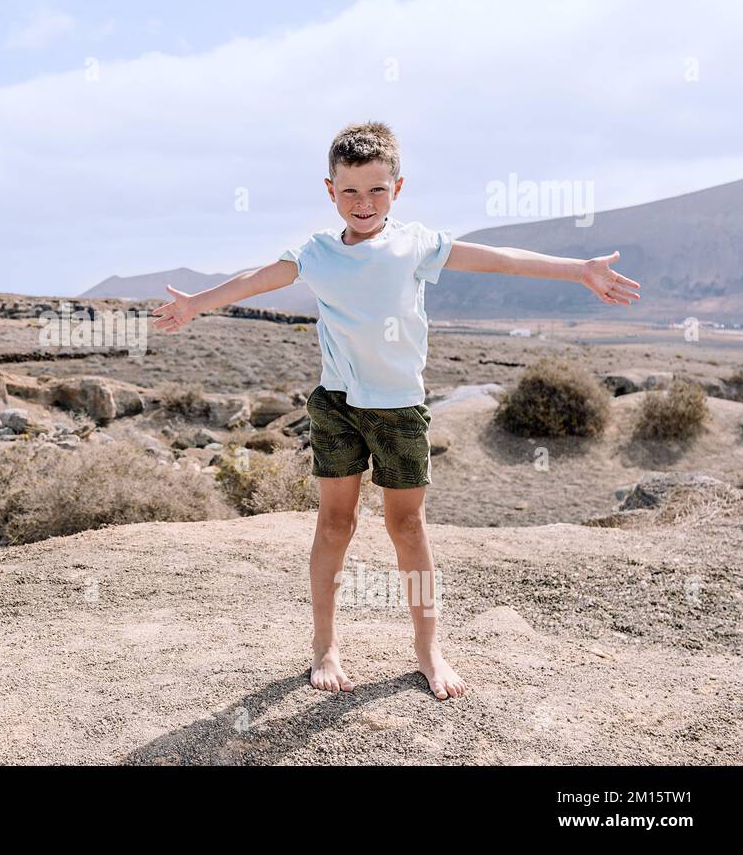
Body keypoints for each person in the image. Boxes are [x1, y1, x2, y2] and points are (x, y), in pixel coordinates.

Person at [150, 121, 641, 699]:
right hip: (337, 406)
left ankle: (429, 649)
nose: (364, 203)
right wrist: (196, 305)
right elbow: (255, 281)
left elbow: (500, 261)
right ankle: (324, 646)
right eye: (351, 191)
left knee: (406, 526)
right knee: (336, 523)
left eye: (377, 190)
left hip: (399, 410)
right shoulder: (316, 252)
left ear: (398, 189)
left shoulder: (416, 245)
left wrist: (576, 269)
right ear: (330, 190)